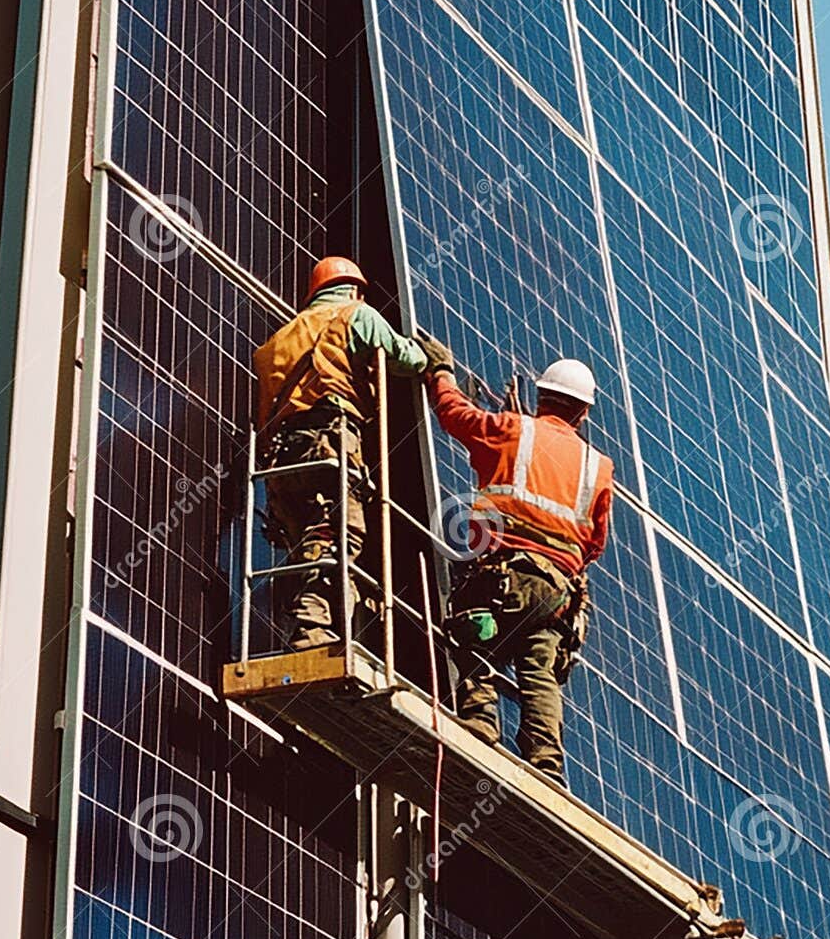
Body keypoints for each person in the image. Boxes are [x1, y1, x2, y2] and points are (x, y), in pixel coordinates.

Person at [417, 341, 612, 786]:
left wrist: (441, 372)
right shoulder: (598, 466)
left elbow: (454, 415)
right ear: (583, 413)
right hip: (559, 589)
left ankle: (481, 720)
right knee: (540, 672)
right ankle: (546, 761)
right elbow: (596, 543)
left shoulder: (511, 430)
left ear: (541, 397)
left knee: (475, 635)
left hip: (505, 572)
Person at [252, 256, 427, 651]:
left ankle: (301, 629)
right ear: (353, 289)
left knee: (306, 543)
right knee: (338, 534)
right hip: (329, 440)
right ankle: (311, 632)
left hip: (280, 461)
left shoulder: (278, 340)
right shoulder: (353, 314)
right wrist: (430, 358)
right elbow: (401, 357)